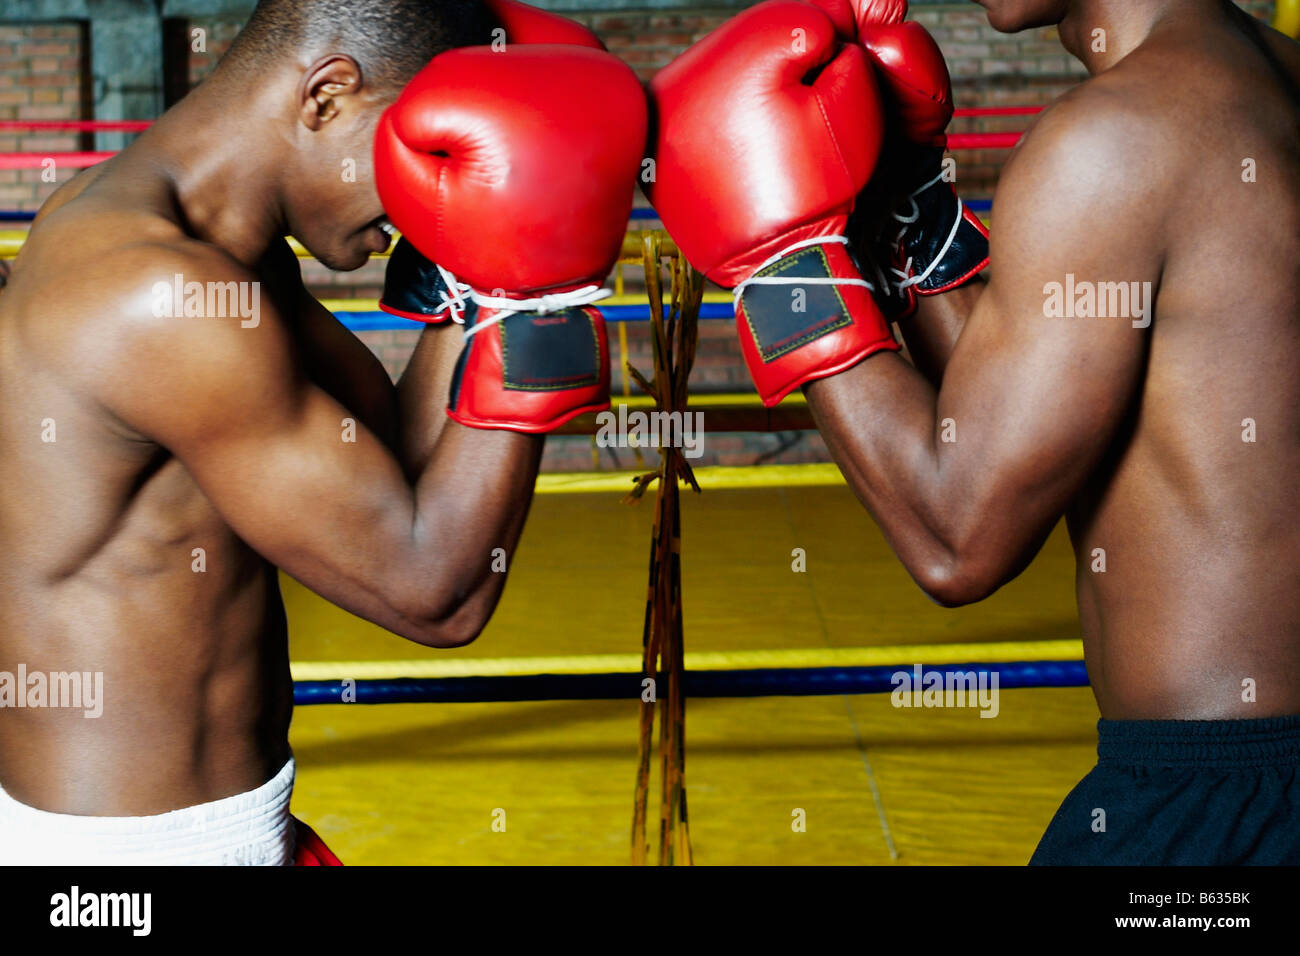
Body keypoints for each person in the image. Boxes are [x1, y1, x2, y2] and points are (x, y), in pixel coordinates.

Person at [648, 0, 1300, 863]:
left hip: (1217, 812)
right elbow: (1010, 422)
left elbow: (957, 538)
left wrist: (781, 265)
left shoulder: (1122, 138)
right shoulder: (1259, 85)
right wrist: (904, 214)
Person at [0, 0, 643, 865]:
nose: (425, 178)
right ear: (328, 94)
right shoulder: (155, 291)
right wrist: (531, 294)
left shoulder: (215, 246)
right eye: (420, 142)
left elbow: (386, 468)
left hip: (226, 826)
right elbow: (436, 596)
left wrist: (473, 274)